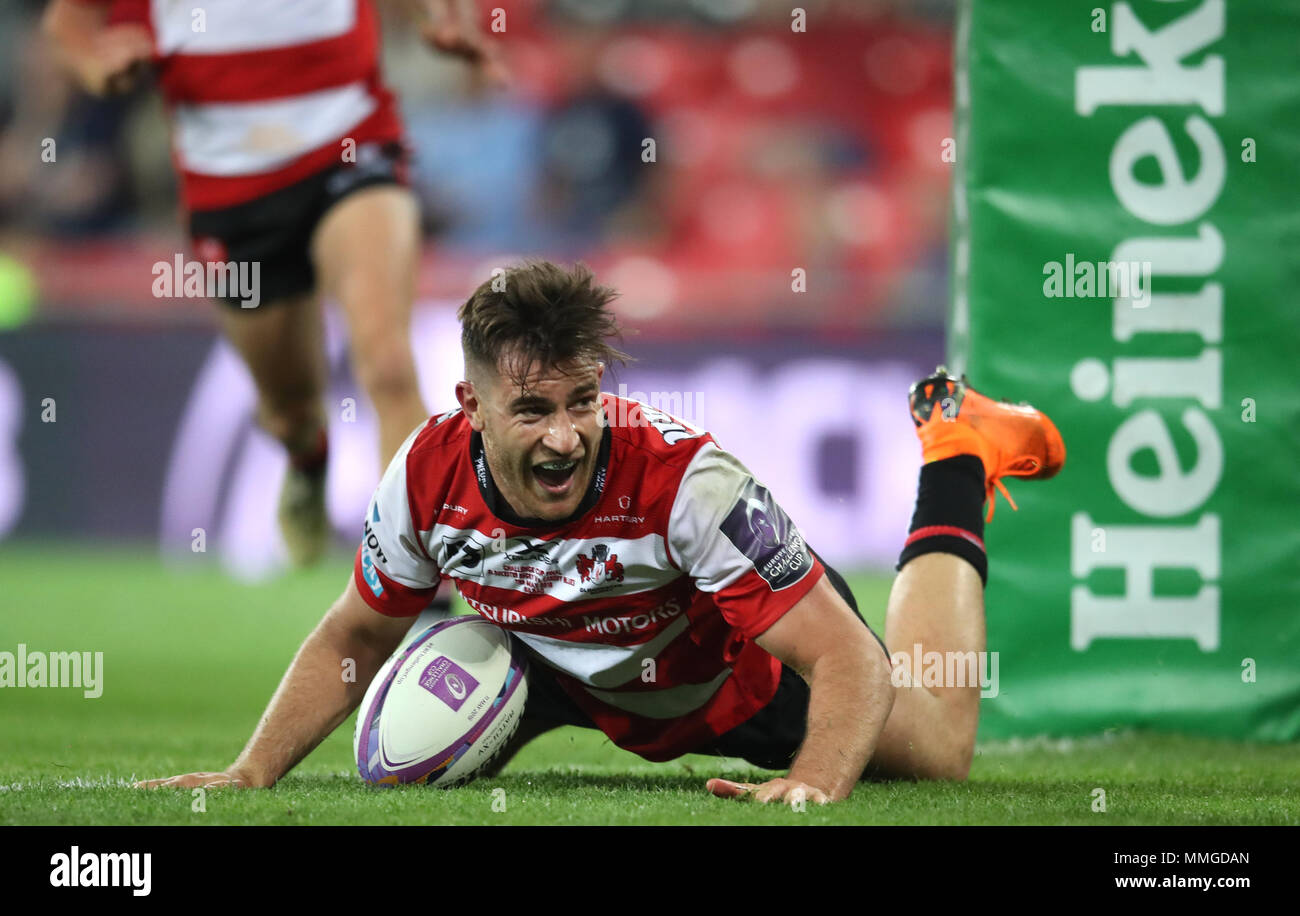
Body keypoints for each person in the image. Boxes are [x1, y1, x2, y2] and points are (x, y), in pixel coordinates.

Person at [137, 260, 1066, 805]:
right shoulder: (422, 475)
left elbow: (849, 662)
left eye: (584, 401)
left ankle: (955, 448)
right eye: (533, 408)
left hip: (726, 680)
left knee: (938, 752)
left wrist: (812, 785)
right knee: (400, 778)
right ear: (472, 407)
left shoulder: (687, 486)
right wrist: (252, 769)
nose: (566, 434)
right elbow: (357, 630)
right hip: (547, 665)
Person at [42, 0, 508, 566]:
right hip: (231, 194)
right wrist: (96, 63)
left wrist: (442, 15)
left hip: (353, 150)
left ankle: (422, 589)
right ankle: (306, 455)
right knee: (287, 406)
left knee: (387, 362)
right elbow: (68, 20)